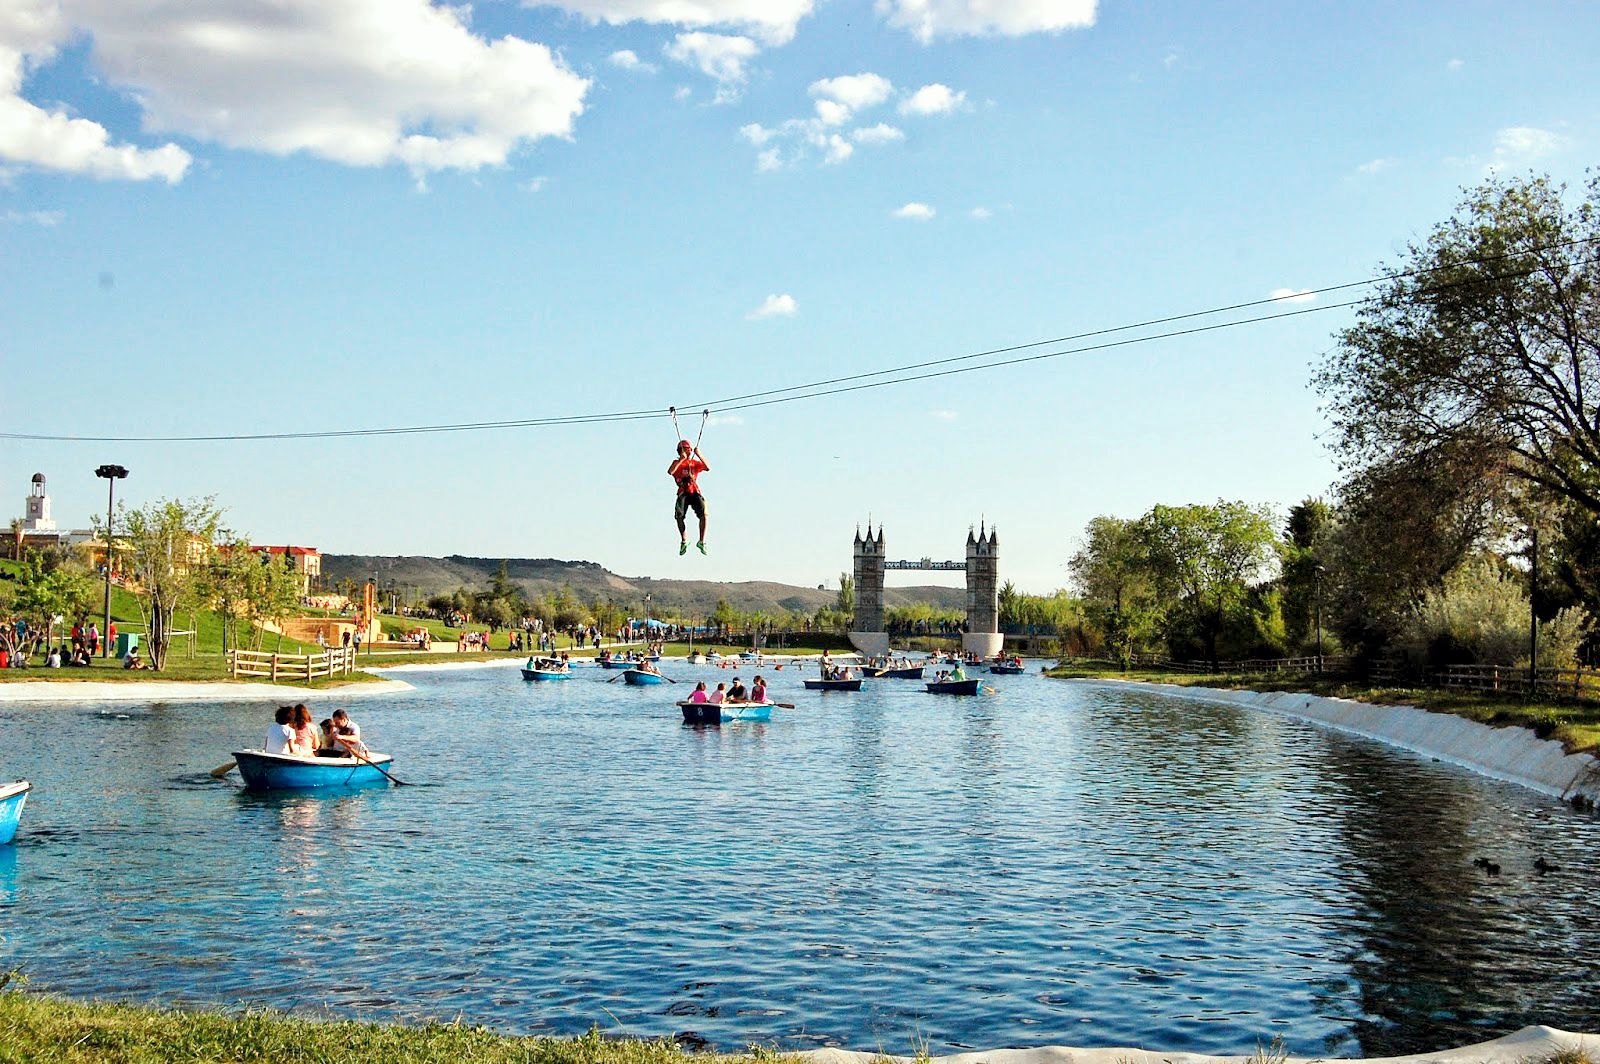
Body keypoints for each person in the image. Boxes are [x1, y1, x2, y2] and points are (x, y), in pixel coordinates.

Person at [667, 439, 710, 555]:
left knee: (704, 513)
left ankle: (701, 541)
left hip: (694, 491)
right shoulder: (676, 462)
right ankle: (684, 540)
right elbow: (671, 471)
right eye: (686, 450)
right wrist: (681, 460)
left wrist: (699, 454)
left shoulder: (693, 463)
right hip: (683, 492)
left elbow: (707, 467)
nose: (688, 452)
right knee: (679, 515)